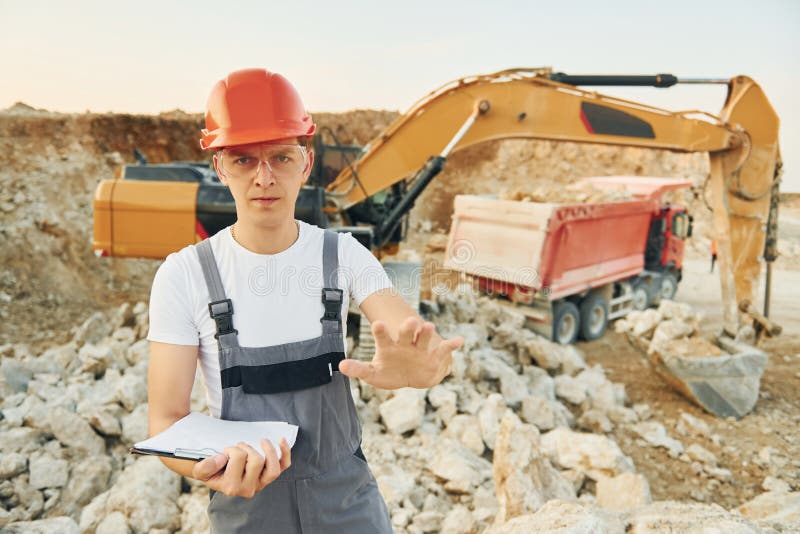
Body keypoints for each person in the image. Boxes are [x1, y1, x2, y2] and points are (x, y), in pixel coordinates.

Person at [146, 68, 464, 533]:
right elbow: (166, 420)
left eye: (281, 156)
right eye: (243, 160)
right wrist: (207, 467)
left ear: (306, 163)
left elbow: (411, 337)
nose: (265, 177)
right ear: (219, 167)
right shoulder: (185, 275)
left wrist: (428, 369)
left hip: (348, 507)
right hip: (248, 512)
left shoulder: (345, 256)